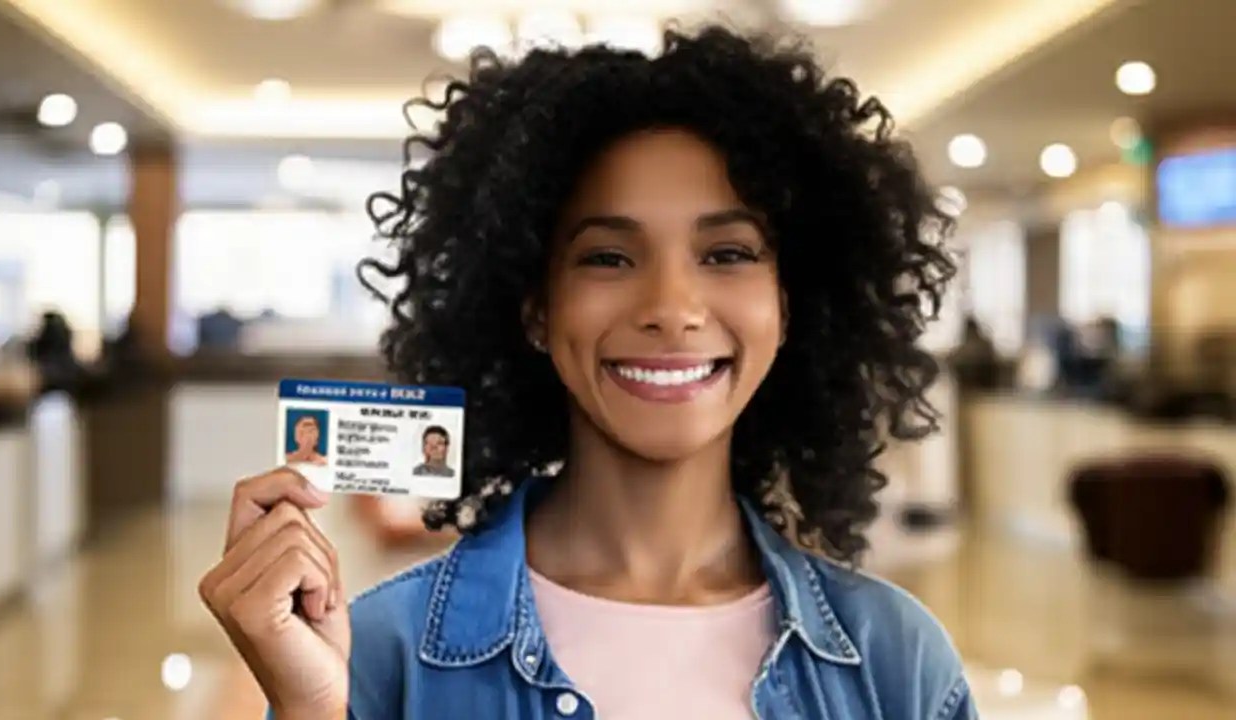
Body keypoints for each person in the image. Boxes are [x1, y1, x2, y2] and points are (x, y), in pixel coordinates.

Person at [199, 26, 975, 720]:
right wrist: (309, 710)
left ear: (790, 306)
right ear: (536, 309)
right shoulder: (376, 657)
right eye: (608, 257)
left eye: (728, 253)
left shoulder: (896, 662)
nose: (672, 307)